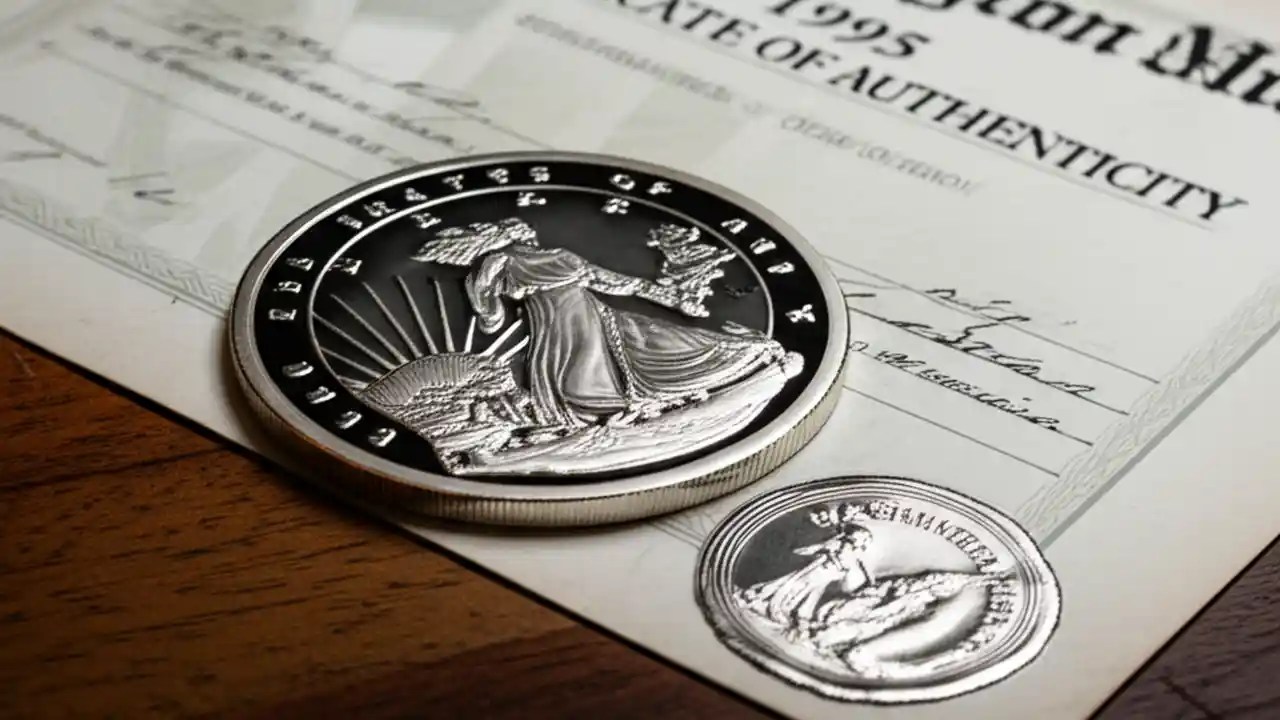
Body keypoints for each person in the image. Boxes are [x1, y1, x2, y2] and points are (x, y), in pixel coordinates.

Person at [413, 217, 796, 431]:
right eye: (520, 231)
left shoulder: (510, 262)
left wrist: (490, 314)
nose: (527, 234)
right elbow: (609, 280)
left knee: (630, 346)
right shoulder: (517, 260)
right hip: (570, 313)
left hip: (569, 315)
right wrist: (489, 312)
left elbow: (483, 295)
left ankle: (736, 359)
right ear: (513, 234)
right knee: (618, 352)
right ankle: (614, 406)